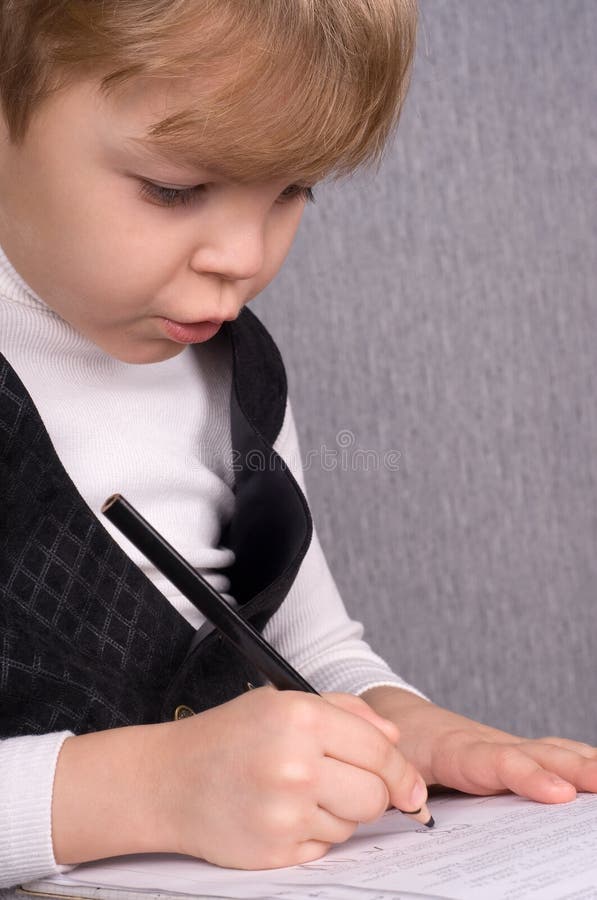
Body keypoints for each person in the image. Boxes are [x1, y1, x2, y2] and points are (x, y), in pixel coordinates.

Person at [0, 0, 595, 889]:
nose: (242, 256)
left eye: (291, 192)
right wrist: (150, 789)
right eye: (173, 187)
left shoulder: (233, 371)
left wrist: (399, 729)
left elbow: (304, 648)